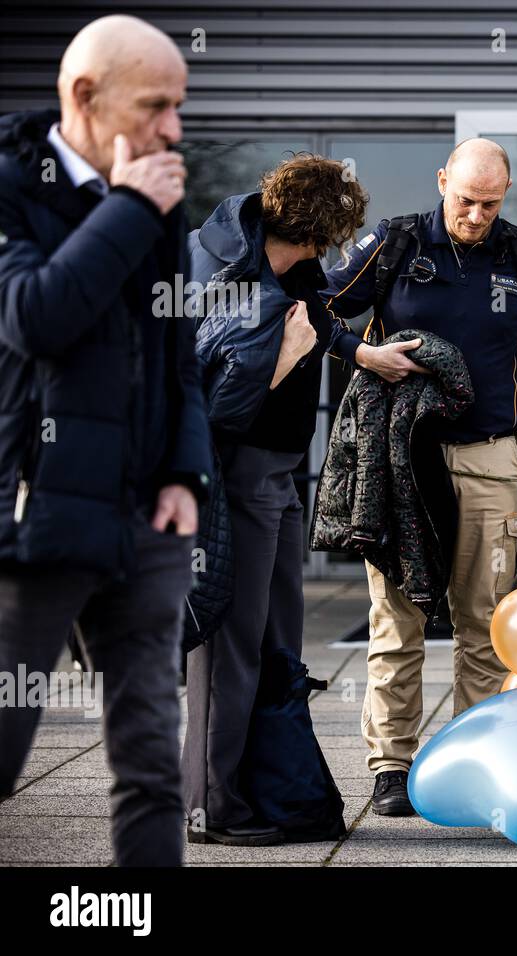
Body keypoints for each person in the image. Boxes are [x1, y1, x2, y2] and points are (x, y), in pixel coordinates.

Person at [320, 138, 517, 816]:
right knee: (397, 618)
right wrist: (363, 353)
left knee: (483, 622)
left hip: (490, 456)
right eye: (465, 199)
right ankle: (391, 765)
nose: (475, 214)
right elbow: (317, 308)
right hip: (398, 460)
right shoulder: (395, 242)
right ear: (442, 181)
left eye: (490, 203)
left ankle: (474, 760)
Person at [0, 15, 210, 866]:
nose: (173, 128)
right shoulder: (16, 187)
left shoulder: (152, 200)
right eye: (156, 105)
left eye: (180, 105)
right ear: (84, 97)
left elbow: (178, 358)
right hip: (35, 522)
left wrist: (185, 474)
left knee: (153, 767)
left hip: (144, 529)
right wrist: (128, 207)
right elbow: (34, 317)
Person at [181, 155, 367, 845]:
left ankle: (264, 787)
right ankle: (212, 808)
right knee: (230, 646)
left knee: (275, 645)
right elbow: (216, 405)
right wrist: (286, 359)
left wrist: (358, 351)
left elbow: (319, 320)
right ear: (318, 231)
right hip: (239, 475)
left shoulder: (291, 272)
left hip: (283, 474)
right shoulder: (230, 273)